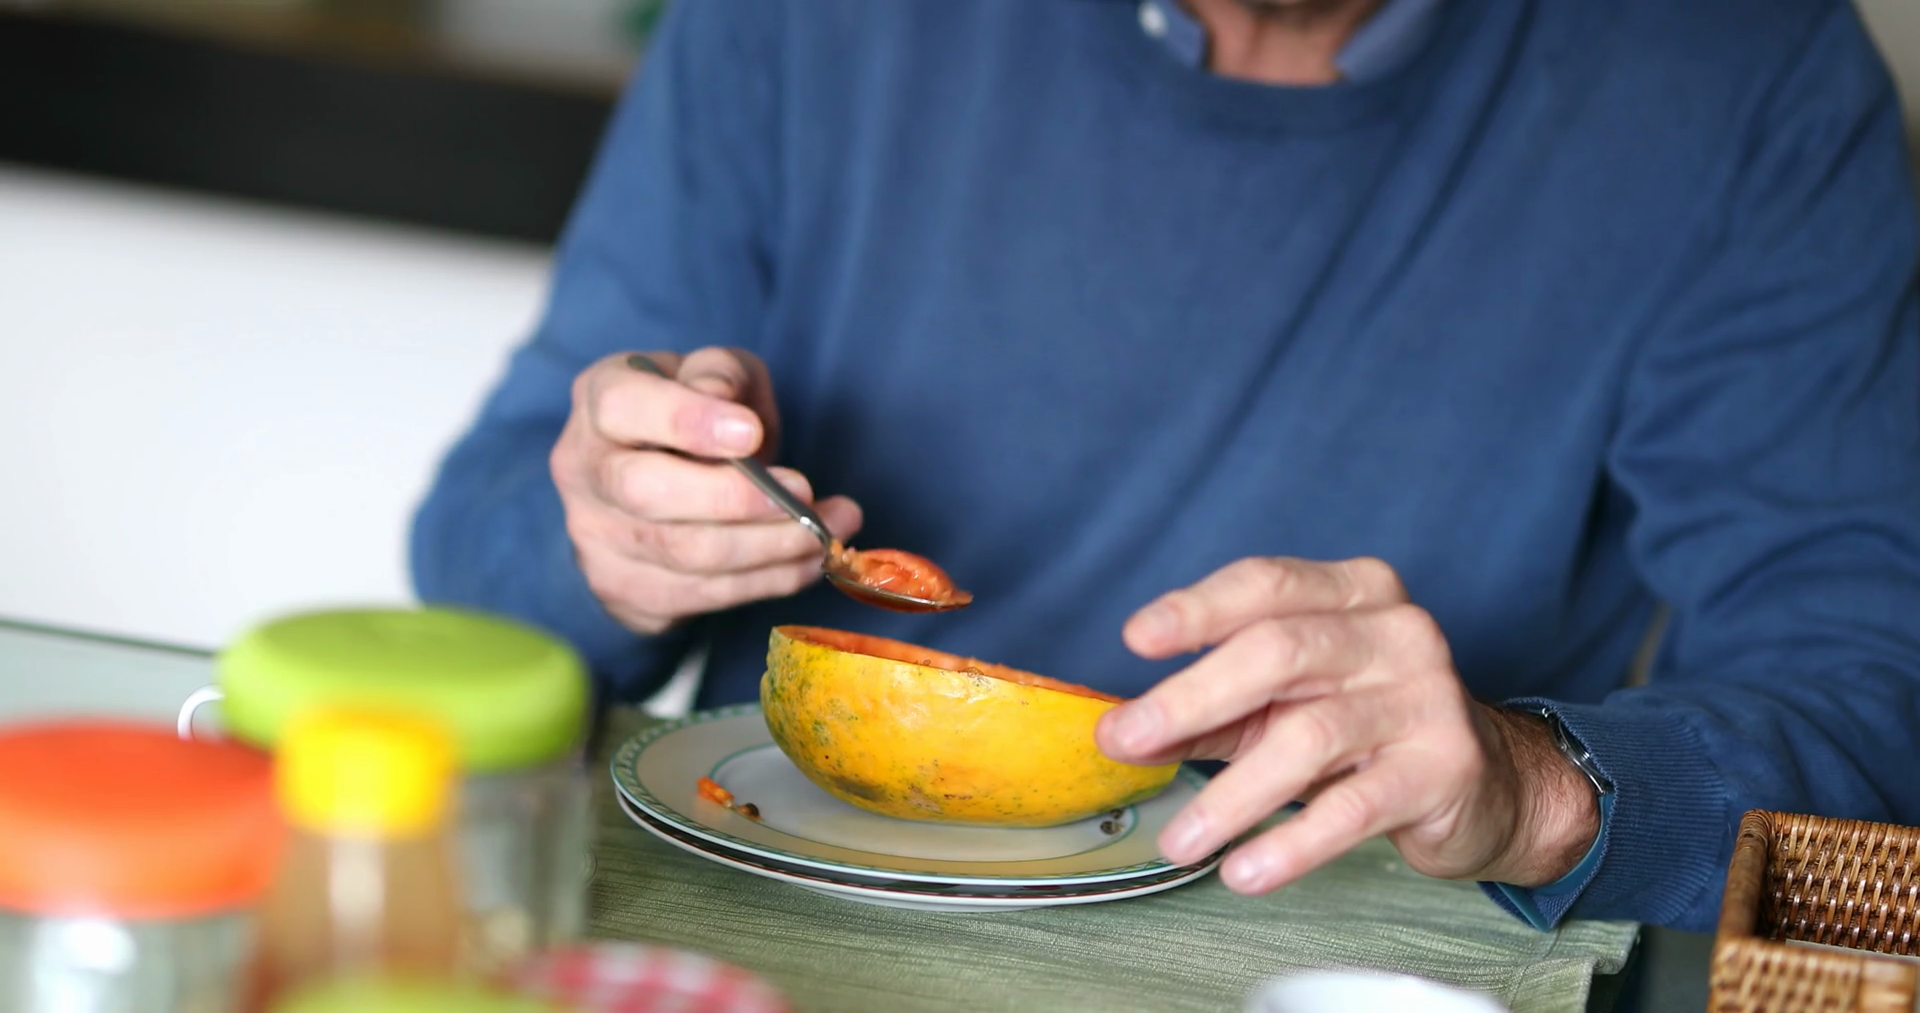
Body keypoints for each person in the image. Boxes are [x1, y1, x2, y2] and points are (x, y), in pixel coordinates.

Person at [411, 0, 1920, 934]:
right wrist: (603, 536)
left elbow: (1876, 726)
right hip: (764, 932)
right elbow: (478, 562)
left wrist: (1540, 791)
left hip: (1361, 959)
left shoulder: (1748, 70)